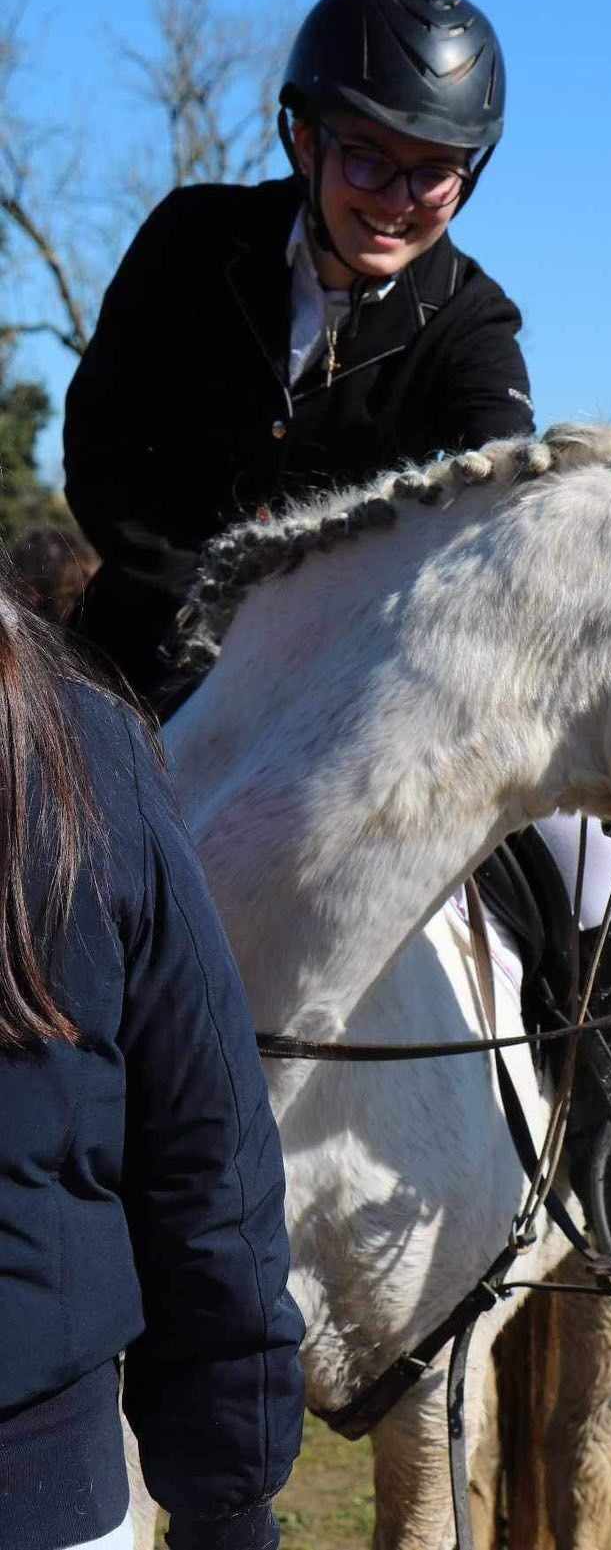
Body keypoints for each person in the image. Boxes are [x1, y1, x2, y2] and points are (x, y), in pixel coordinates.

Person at [63, 0, 611, 1263]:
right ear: (301, 136)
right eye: (369, 154)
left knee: (586, 854)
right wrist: (198, 610)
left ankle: (607, 1137)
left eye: (437, 169)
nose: (398, 194)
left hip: (361, 697)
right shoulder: (192, 239)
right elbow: (102, 450)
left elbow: (485, 527)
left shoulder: (474, 327)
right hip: (142, 643)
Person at [0, 578, 304, 1550]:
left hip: (298, 600)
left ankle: (596, 1089)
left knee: (574, 852)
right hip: (161, 613)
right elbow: (207, 1145)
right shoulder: (87, 739)